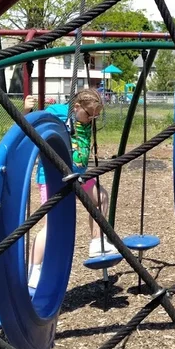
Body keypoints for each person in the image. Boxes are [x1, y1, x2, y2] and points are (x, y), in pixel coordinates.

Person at [24, 89, 115, 289]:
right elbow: (33, 126)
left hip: (79, 177)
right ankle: (34, 269)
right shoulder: (59, 112)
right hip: (53, 177)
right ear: (76, 107)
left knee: (101, 198)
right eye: (89, 114)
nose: (92, 119)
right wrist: (27, 111)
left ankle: (96, 243)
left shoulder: (86, 120)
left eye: (96, 116)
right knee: (52, 225)